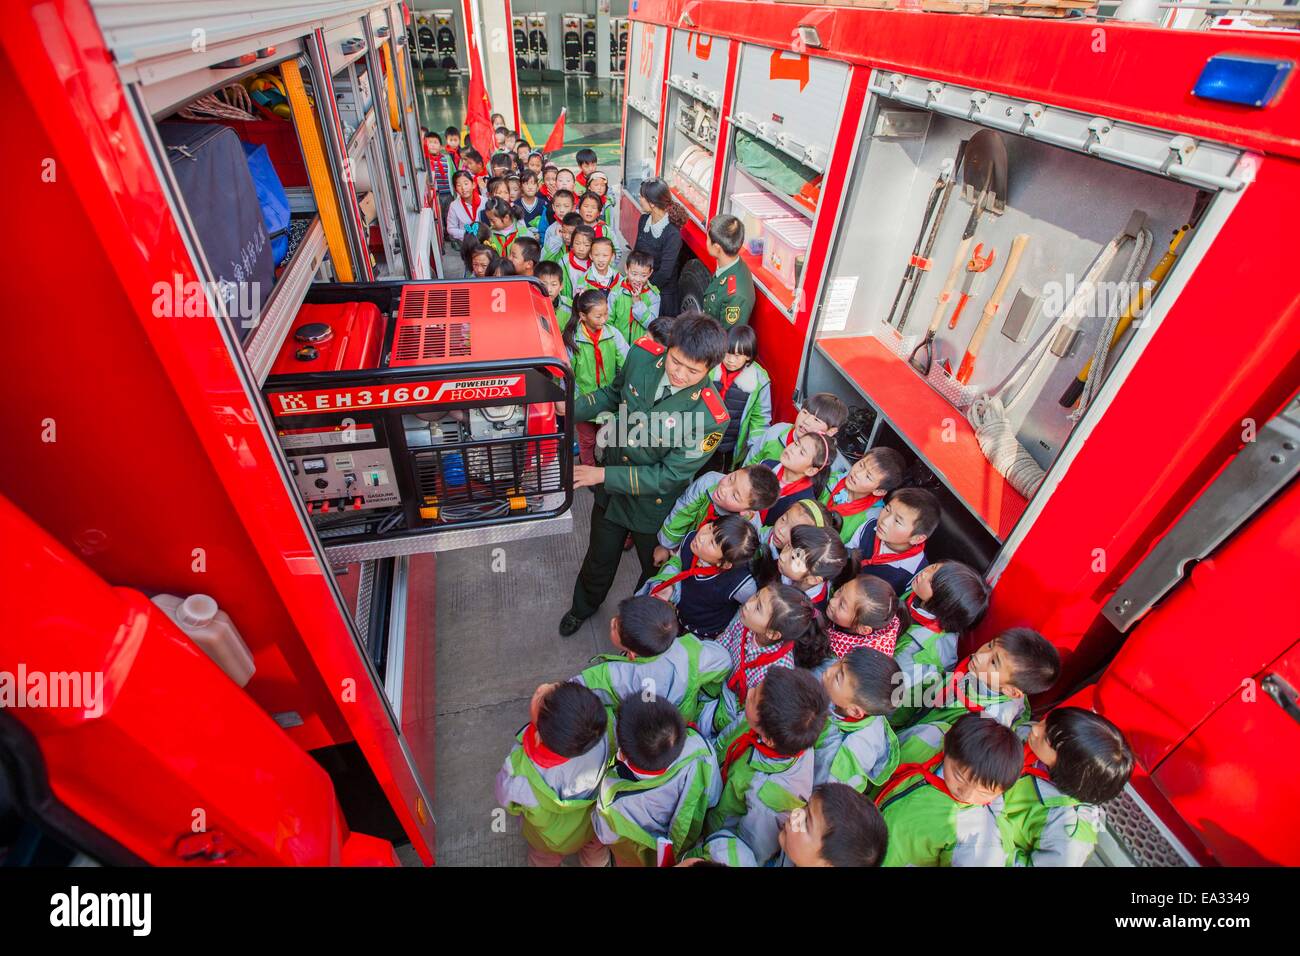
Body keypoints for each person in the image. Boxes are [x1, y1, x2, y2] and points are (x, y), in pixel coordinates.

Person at [560, 314, 730, 636]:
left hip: (653, 508)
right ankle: (582, 607)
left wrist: (602, 476)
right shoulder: (642, 355)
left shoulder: (710, 416)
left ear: (711, 369)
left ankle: (637, 627)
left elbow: (668, 476)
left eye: (692, 371)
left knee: (653, 572)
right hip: (612, 493)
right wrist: (570, 406)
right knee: (599, 556)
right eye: (675, 361)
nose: (679, 374)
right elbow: (613, 394)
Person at [706, 666, 827, 864]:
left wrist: (713, 841)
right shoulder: (778, 729)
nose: (750, 691)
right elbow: (731, 736)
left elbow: (750, 847)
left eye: (753, 698)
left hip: (719, 834)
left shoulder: (772, 801)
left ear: (769, 740)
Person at [875, 713, 1019, 867]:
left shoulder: (976, 834)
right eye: (959, 777)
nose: (966, 794)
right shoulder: (927, 738)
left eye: (984, 793)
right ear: (946, 746)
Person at [592, 694, 721, 866]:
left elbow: (604, 833)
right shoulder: (701, 750)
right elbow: (713, 797)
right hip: (682, 848)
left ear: (622, 753)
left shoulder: (612, 797)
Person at [494, 680, 613, 867]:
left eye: (542, 699)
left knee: (543, 860)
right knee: (595, 851)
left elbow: (506, 801)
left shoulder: (519, 775)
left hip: (550, 840)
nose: (542, 686)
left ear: (538, 736)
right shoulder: (608, 730)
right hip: (595, 825)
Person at [575, 596, 732, 725]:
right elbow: (723, 661)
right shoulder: (692, 653)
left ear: (632, 654)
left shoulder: (616, 677)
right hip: (676, 720)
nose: (612, 622)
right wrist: (708, 693)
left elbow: (578, 689)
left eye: (616, 626)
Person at [1006, 708, 1133, 867]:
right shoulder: (1033, 740)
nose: (1036, 728)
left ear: (1069, 767)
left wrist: (989, 843)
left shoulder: (1068, 834)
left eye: (1047, 739)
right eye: (1046, 721)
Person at [700, 583, 828, 737]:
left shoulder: (776, 673)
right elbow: (725, 641)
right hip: (721, 679)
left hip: (733, 707)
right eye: (756, 595)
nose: (749, 604)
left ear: (773, 634)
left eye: (758, 608)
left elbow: (750, 715)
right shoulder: (747, 620)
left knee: (703, 723)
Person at [891, 561, 991, 728]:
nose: (924, 573)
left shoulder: (926, 655)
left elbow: (894, 699)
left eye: (931, 582)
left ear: (943, 604)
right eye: (934, 567)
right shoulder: (917, 598)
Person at [906, 626, 1060, 733]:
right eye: (990, 645)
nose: (979, 656)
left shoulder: (988, 722)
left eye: (994, 662)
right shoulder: (982, 671)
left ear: (1011, 691)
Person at [642, 515, 761, 640]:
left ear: (724, 564)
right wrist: (669, 587)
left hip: (706, 632)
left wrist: (727, 633)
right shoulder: (691, 540)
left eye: (712, 543)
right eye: (710, 527)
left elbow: (748, 609)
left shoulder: (740, 583)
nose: (701, 536)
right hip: (680, 613)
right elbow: (678, 561)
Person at [814, 648, 902, 792]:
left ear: (854, 711)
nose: (830, 670)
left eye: (838, 677)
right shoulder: (860, 700)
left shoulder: (837, 760)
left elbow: (818, 795)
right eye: (840, 661)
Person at [654, 464, 780, 557]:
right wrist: (666, 545)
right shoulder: (709, 481)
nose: (724, 489)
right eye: (731, 478)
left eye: (735, 496)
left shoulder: (747, 531)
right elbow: (682, 512)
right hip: (683, 542)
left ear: (746, 511)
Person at [563, 288, 628, 467]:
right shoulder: (573, 340)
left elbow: (627, 360)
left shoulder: (613, 334)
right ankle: (588, 466)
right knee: (587, 440)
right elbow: (566, 374)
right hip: (583, 399)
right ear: (582, 316)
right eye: (598, 316)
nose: (604, 319)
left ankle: (607, 467)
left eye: (606, 314)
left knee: (608, 438)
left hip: (608, 398)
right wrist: (569, 400)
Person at [707, 325, 771, 474]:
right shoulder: (710, 365)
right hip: (703, 436)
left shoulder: (759, 380)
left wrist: (754, 449)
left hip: (731, 446)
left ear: (748, 355)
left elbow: (760, 419)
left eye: (737, 355)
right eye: (727, 353)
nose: (730, 360)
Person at [822, 446, 908, 549]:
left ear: (879, 491)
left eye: (868, 477)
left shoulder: (872, 518)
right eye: (861, 465)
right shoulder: (831, 479)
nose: (857, 474)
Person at [858, 487, 940, 594]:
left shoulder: (917, 574)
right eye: (887, 509)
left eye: (897, 521)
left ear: (917, 538)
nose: (885, 521)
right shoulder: (871, 526)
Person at [757, 523, 849, 612]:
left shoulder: (809, 612)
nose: (783, 555)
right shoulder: (782, 566)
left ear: (813, 579)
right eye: (789, 545)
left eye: (794, 558)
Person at [743, 391, 849, 468]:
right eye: (804, 413)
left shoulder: (830, 464)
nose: (806, 421)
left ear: (831, 431)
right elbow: (752, 460)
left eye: (816, 420)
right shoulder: (777, 431)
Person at [759, 430, 834, 526]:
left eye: (802, 452)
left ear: (810, 470)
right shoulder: (766, 465)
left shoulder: (803, 504)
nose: (792, 449)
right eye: (796, 444)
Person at [633, 178, 683, 316]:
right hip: (640, 286)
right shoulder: (643, 220)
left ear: (653, 203)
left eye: (642, 196)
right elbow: (636, 253)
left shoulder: (672, 233)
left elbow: (665, 273)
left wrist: (643, 286)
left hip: (662, 296)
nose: (639, 198)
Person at [824, 574, 905, 658]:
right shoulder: (880, 618)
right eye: (840, 590)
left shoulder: (848, 661)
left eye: (841, 605)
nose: (832, 601)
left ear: (862, 629)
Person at [702, 213, 756, 328]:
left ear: (717, 248)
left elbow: (727, 340)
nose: (706, 242)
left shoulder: (736, 297)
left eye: (707, 239)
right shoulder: (730, 265)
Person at [607, 250, 660, 344]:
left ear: (650, 273)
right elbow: (608, 320)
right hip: (617, 344)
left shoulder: (653, 296)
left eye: (643, 275)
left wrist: (638, 303)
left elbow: (652, 325)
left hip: (641, 346)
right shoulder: (617, 291)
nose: (638, 279)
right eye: (634, 274)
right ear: (626, 269)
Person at [445, 170, 483, 245]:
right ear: (455, 189)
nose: (463, 188)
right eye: (459, 185)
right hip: (466, 244)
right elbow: (451, 228)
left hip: (485, 242)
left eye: (466, 184)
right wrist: (468, 234)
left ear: (473, 185)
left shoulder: (484, 201)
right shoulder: (454, 205)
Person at [561, 224, 595, 300]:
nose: (581, 249)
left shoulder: (595, 264)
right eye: (577, 243)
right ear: (572, 244)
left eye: (586, 245)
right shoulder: (564, 261)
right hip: (568, 303)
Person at [541, 190, 577, 259]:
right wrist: (557, 239)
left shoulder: (579, 226)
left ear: (573, 208)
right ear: (553, 207)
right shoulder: (551, 229)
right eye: (558, 206)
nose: (561, 210)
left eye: (566, 206)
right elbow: (543, 257)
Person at [535, 260, 570, 326]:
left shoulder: (569, 307)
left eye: (554, 284)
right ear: (535, 285)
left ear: (561, 286)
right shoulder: (529, 304)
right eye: (544, 284)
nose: (549, 290)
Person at [514, 169, 549, 236]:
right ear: (521, 186)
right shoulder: (515, 206)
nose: (530, 187)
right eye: (526, 184)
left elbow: (546, 227)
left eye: (533, 184)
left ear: (538, 186)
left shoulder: (544, 204)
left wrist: (540, 236)